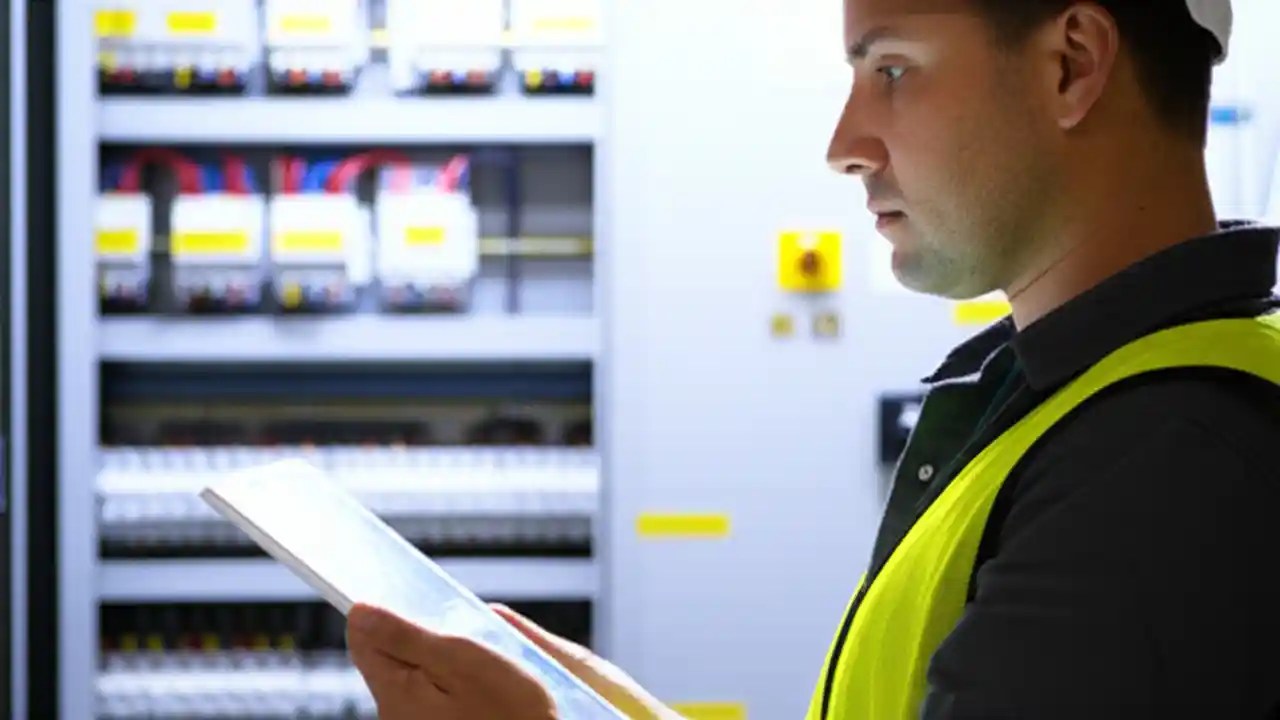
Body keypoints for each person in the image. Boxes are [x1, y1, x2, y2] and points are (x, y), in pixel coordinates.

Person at [344, 0, 1280, 717]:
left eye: (893, 69)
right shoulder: (1076, 403)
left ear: (1072, 65)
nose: (844, 146)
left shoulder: (1169, 468)